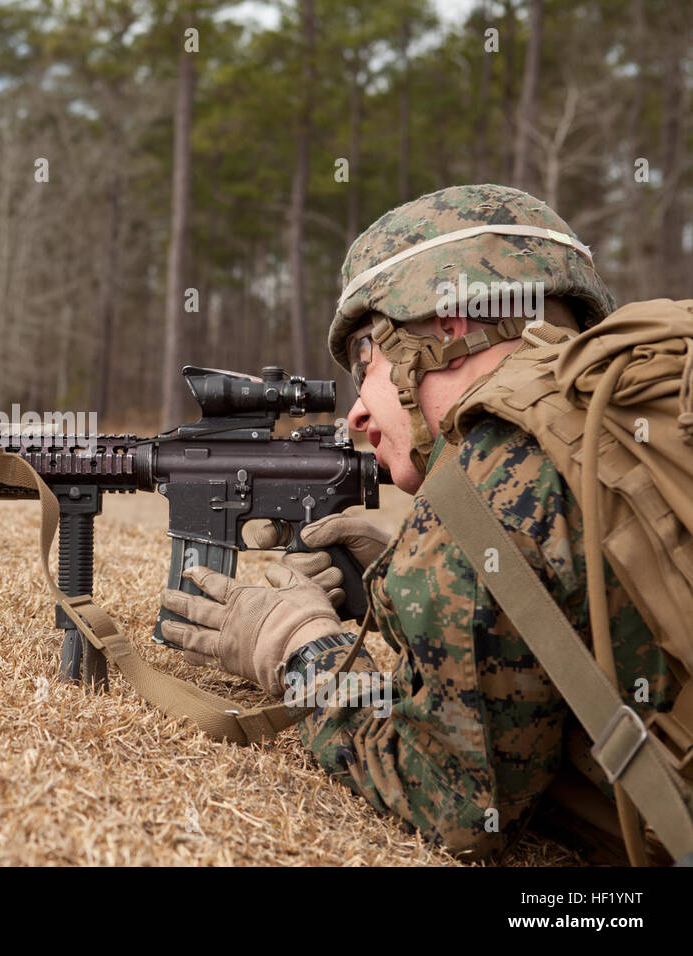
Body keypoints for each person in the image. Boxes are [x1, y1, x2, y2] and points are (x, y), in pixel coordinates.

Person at [158, 183, 672, 863]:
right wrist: (403, 584)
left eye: (367, 361)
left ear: (449, 329)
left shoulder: (489, 483)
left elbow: (459, 806)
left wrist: (295, 647)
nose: (358, 414)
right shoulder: (635, 415)